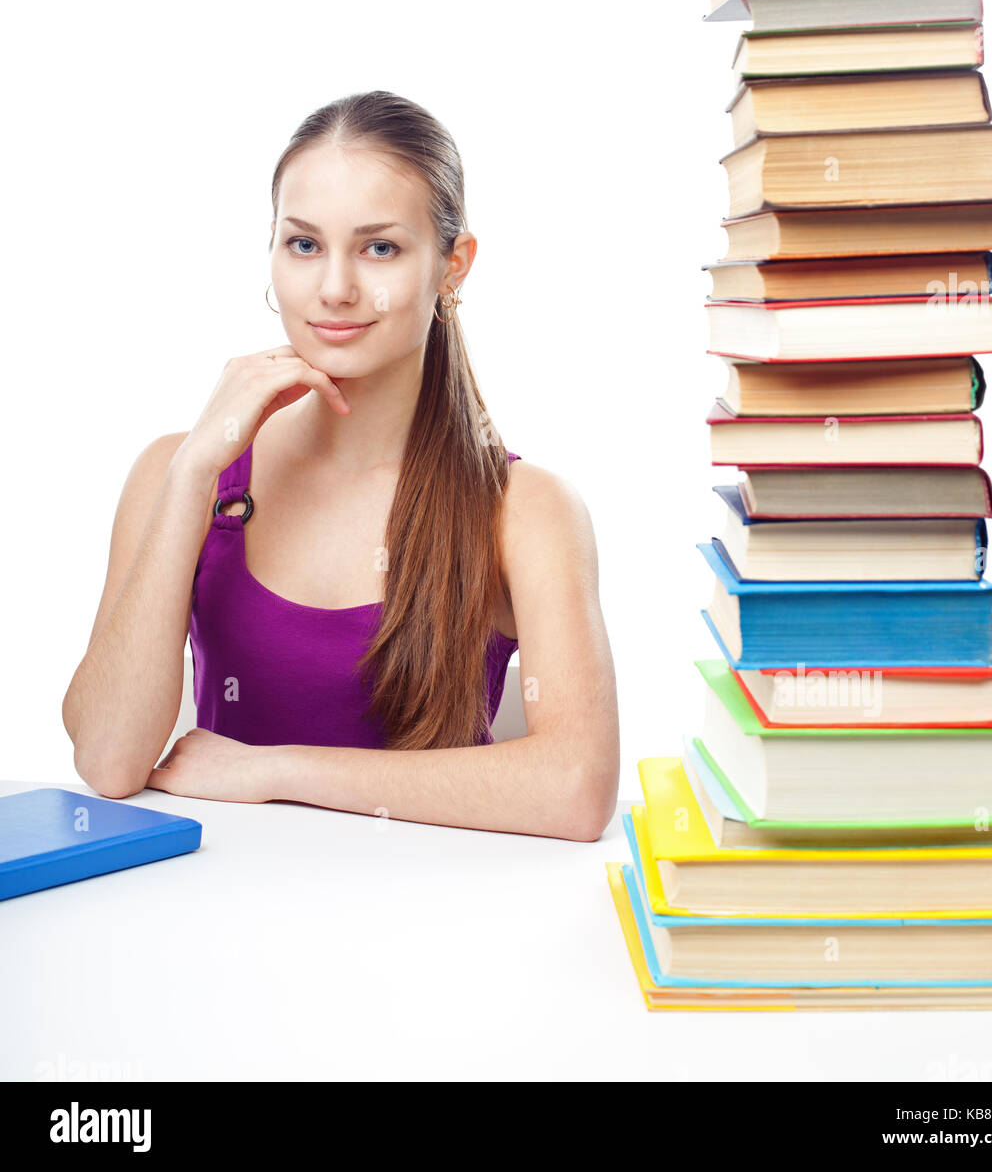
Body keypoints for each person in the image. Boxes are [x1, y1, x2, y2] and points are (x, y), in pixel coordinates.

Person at [62, 91, 619, 841]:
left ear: (452, 266)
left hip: (442, 919)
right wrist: (195, 468)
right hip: (215, 911)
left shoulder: (525, 507)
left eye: (379, 248)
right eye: (303, 244)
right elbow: (107, 759)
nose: (334, 288)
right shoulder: (180, 471)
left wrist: (276, 771)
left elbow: (576, 790)